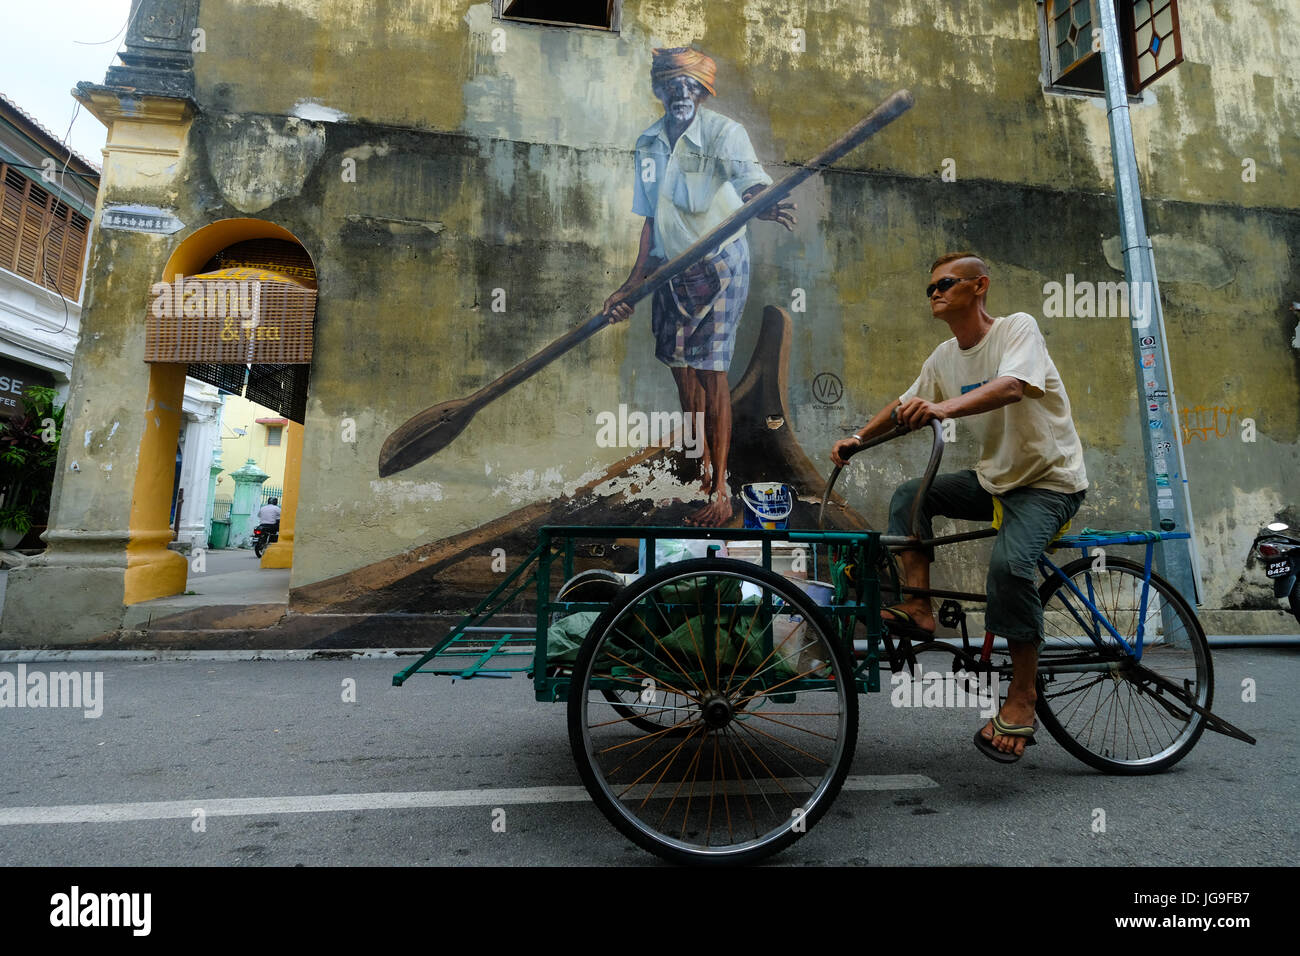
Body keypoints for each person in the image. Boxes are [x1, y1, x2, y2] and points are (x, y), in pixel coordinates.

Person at [830, 253, 1088, 762]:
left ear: (979, 286)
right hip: (996, 481)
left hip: (1048, 481)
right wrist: (858, 439)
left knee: (1010, 568)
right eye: (929, 289)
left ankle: (1022, 696)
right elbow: (906, 405)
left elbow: (1013, 386)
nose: (934, 294)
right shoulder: (944, 357)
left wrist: (942, 408)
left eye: (945, 284)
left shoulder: (1017, 330)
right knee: (910, 494)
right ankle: (919, 607)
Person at [603, 46, 796, 526]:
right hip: (670, 270)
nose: (680, 94)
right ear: (661, 90)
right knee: (680, 370)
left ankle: (721, 489)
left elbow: (750, 181)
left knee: (711, 372)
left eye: (689, 86)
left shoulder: (725, 134)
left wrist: (760, 203)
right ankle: (700, 471)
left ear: (702, 90)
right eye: (671, 86)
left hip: (719, 264)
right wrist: (632, 284)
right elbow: (650, 220)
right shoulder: (648, 143)